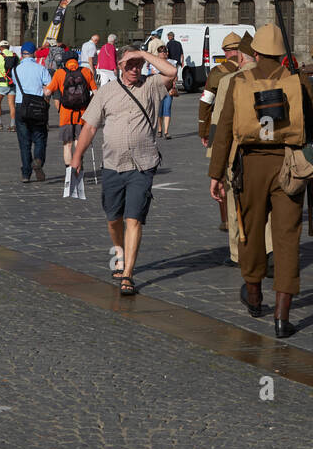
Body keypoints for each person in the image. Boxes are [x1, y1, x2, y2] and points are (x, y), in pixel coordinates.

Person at [209, 23, 313, 339]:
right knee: (288, 237)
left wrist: (216, 173)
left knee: (249, 229)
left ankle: (253, 296)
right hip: (289, 163)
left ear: (256, 51)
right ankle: (282, 315)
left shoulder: (239, 81)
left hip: (250, 164)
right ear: (281, 53)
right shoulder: (297, 80)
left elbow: (223, 131)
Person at [72, 44, 177, 296]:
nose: (134, 69)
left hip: (143, 164)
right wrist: (77, 157)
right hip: (112, 165)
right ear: (119, 66)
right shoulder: (106, 92)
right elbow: (89, 128)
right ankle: (118, 251)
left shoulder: (151, 86)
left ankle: (128, 273)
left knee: (134, 219)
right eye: (129, 65)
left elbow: (171, 71)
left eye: (137, 65)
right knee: (113, 218)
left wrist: (142, 54)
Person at [208, 32, 274, 271]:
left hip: (238, 153)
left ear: (243, 57)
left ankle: (238, 253)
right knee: (270, 206)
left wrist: (214, 160)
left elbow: (219, 123)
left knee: (237, 206)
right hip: (273, 150)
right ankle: (270, 250)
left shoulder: (230, 80)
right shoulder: (279, 77)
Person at [199, 31, 242, 231]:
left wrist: (203, 130)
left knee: (221, 174)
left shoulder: (217, 72)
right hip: (245, 128)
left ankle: (226, 219)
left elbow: (206, 102)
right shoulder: (251, 69)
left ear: (225, 52)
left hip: (219, 128)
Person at [46, 52, 97, 166]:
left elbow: (48, 91)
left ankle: (69, 171)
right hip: (83, 113)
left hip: (65, 114)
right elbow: (96, 92)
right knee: (79, 143)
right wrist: (89, 102)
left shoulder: (60, 73)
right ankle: (79, 166)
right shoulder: (86, 71)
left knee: (67, 145)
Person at [11, 41, 52, 184]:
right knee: (40, 136)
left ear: (22, 54)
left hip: (21, 106)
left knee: (24, 142)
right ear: (34, 53)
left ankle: (26, 174)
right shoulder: (41, 69)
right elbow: (49, 87)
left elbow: (16, 85)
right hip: (37, 106)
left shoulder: (15, 70)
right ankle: (39, 160)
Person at [0, 40, 19, 131]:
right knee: (12, 105)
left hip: (2, 83)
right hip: (12, 83)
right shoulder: (15, 55)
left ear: (0, 48)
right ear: (9, 47)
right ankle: (13, 125)